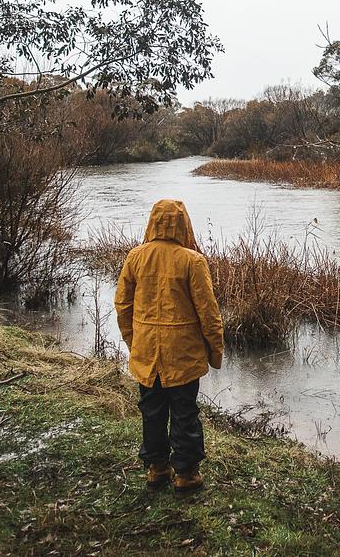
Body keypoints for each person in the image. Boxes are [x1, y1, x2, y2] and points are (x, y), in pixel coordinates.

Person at [114, 198, 224, 491]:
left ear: (152, 222)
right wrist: (215, 352)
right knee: (185, 413)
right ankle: (186, 474)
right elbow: (208, 313)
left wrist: (133, 341)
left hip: (147, 352)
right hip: (183, 355)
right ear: (183, 223)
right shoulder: (192, 260)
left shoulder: (135, 257)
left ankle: (157, 469)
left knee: (151, 412)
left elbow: (122, 305)